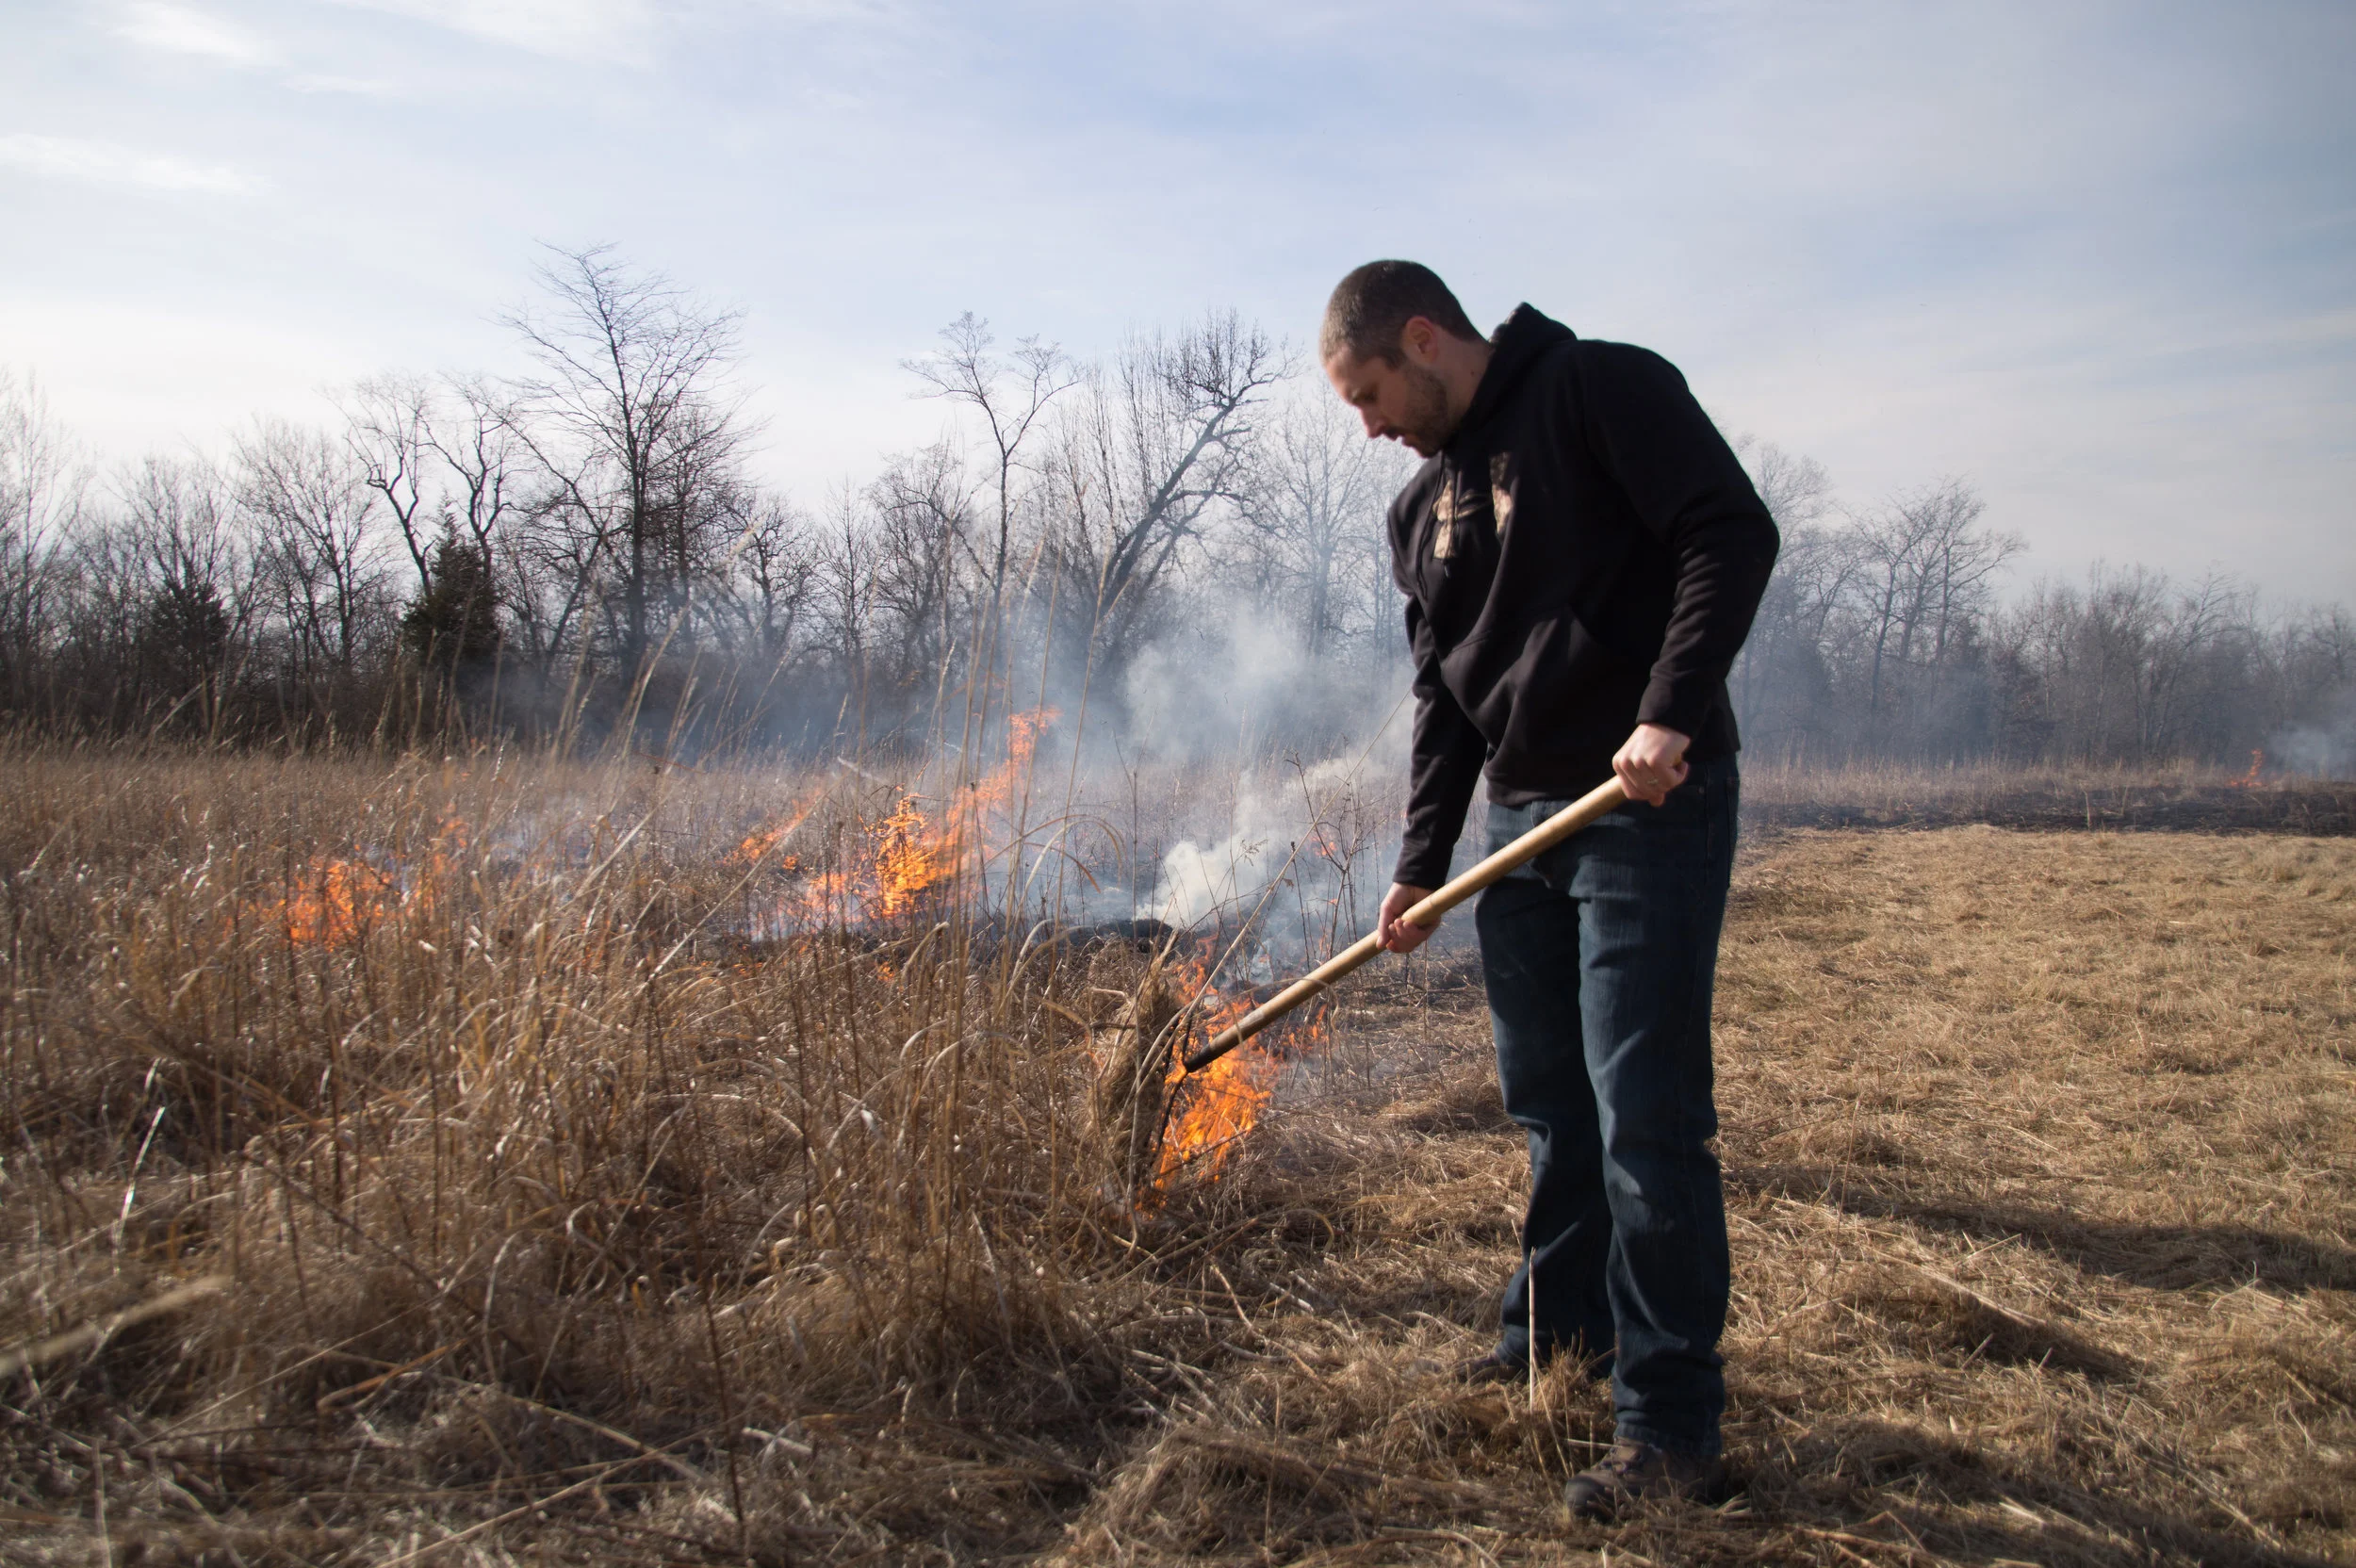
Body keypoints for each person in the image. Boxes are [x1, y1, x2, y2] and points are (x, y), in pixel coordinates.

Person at [1320, 260, 1778, 1521]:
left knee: (1645, 1122)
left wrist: (1668, 712)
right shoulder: (1419, 514)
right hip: (1522, 827)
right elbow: (1445, 704)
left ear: (1423, 338)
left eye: (1370, 393)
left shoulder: (1596, 389)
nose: (1368, 426)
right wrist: (1420, 870)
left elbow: (1730, 533)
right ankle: (1551, 1339)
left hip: (1643, 808)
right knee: (1551, 1113)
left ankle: (1671, 1428)